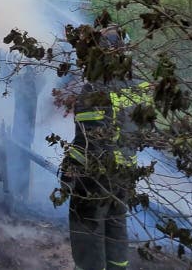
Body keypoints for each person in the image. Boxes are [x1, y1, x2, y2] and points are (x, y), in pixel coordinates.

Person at [62, 24, 151, 270]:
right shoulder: (140, 87)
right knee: (116, 224)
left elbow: (88, 141)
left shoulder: (94, 90)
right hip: (126, 172)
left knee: (87, 229)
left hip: (94, 176)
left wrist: (69, 169)